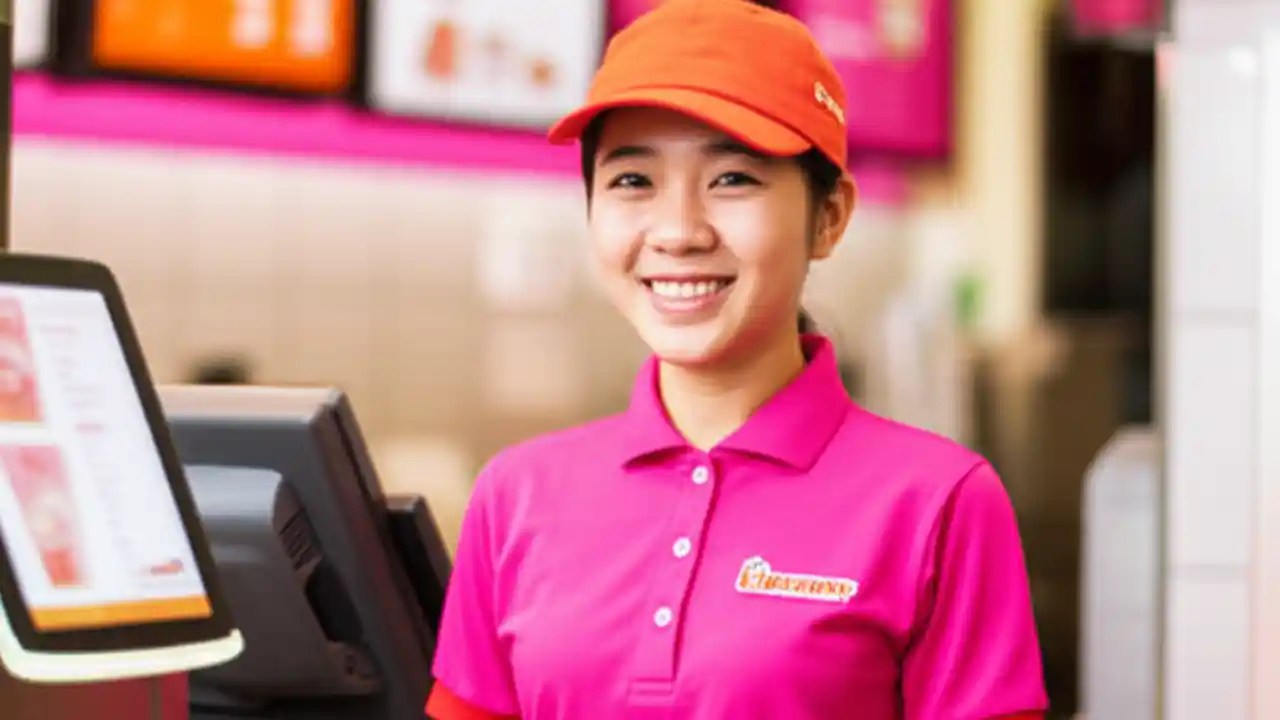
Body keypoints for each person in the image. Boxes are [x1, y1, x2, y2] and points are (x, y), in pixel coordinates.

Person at [426, 1, 1048, 718]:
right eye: (633, 181)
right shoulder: (514, 497)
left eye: (733, 180)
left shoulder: (940, 503)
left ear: (830, 217)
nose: (679, 231)